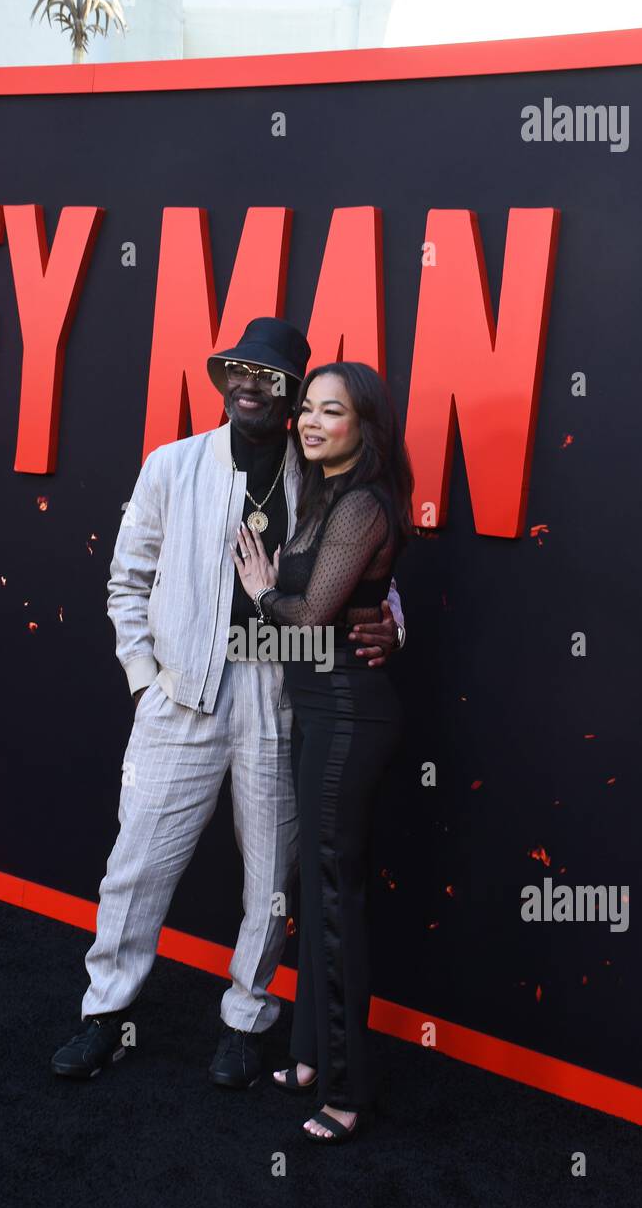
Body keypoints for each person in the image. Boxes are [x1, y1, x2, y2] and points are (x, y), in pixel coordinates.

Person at [51, 319, 406, 1088]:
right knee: (135, 863)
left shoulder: (317, 469)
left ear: (292, 394)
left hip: (279, 692)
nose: (248, 382)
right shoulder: (173, 465)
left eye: (269, 375)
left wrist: (392, 622)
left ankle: (247, 1019)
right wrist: (146, 680)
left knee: (270, 879)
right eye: (235, 369)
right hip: (182, 694)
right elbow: (126, 579)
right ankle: (105, 1016)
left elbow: (366, 564)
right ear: (221, 380)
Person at [232, 361, 414, 1142]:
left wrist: (261, 589)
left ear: (362, 427)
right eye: (305, 408)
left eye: (329, 411)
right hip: (318, 711)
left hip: (347, 716)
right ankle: (308, 1054)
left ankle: (345, 1092)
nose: (308, 422)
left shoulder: (363, 504)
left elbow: (306, 618)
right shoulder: (325, 496)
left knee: (337, 899)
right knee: (317, 886)